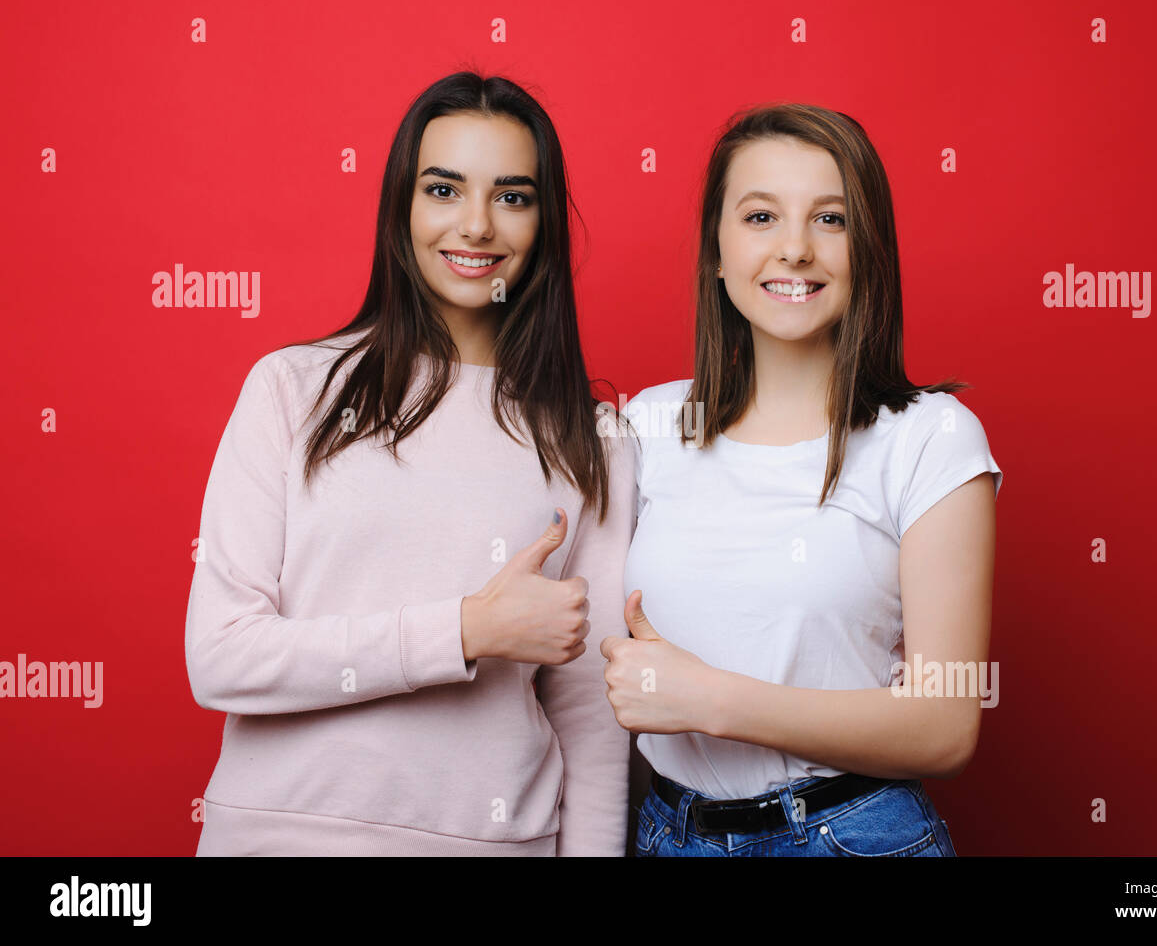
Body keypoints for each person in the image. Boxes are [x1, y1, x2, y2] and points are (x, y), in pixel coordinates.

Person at [185, 71, 634, 856]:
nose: (477, 225)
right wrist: (465, 630)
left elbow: (590, 721)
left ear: (544, 224)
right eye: (444, 189)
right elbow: (222, 658)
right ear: (403, 205)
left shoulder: (592, 440)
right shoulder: (293, 390)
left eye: (514, 196)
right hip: (281, 838)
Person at [603, 103, 1003, 856]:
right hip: (669, 833)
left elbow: (947, 726)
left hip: (850, 835)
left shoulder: (931, 437)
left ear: (869, 249)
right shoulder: (648, 427)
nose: (794, 249)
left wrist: (712, 700)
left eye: (831, 220)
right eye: (760, 217)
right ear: (716, 254)